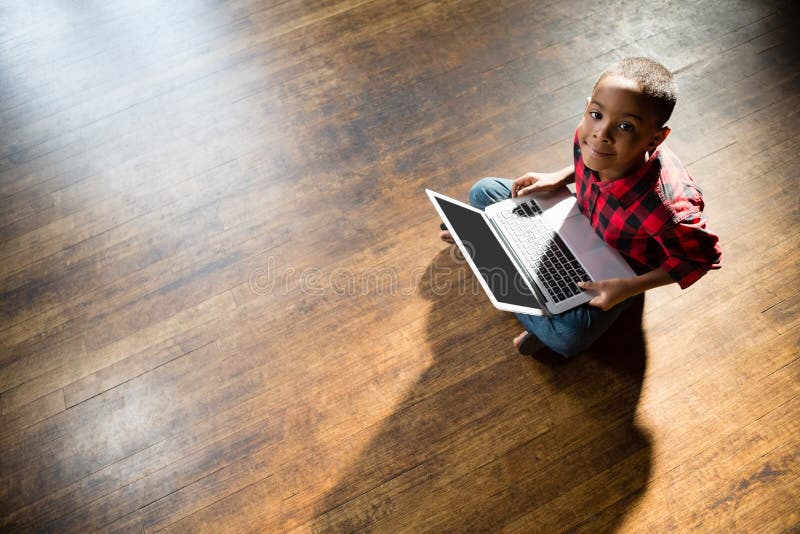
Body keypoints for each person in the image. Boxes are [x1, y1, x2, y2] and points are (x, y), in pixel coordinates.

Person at [439, 57, 722, 358]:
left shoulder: (669, 210)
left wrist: (627, 288)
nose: (602, 133)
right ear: (589, 107)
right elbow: (594, 158)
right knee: (483, 191)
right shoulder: (590, 134)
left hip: (619, 266)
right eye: (596, 114)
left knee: (568, 338)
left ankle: (490, 254)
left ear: (655, 139)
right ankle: (530, 299)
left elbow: (701, 259)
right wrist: (559, 176)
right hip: (577, 218)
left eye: (625, 126)